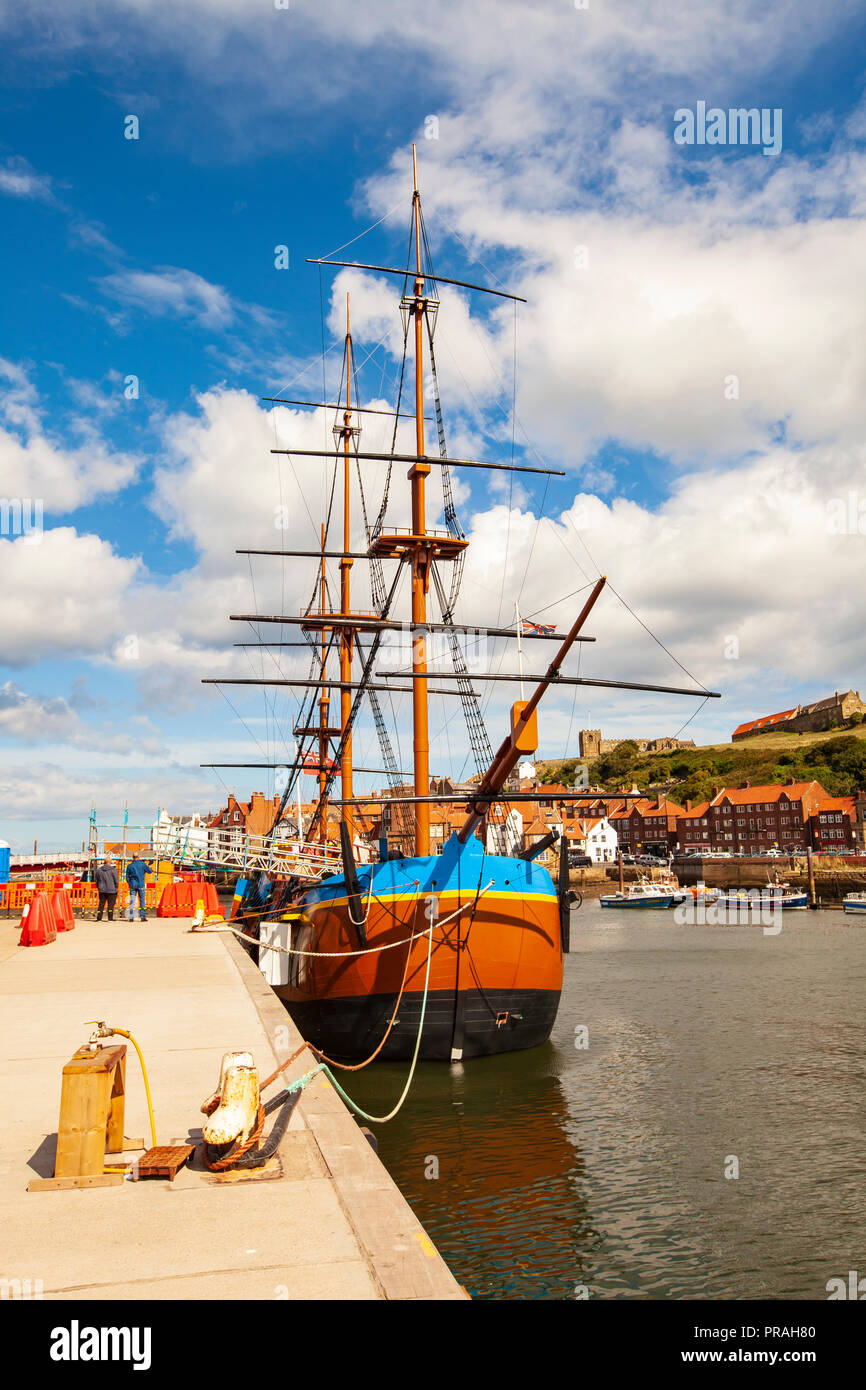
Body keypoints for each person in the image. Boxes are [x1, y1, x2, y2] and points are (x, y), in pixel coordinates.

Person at [125, 855, 152, 921]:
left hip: (133, 885)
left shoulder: (130, 866)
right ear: (139, 857)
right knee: (142, 900)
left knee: (132, 901)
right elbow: (149, 871)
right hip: (141, 884)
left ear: (133, 857)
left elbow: (127, 877)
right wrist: (150, 866)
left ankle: (131, 917)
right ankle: (142, 916)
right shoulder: (143, 864)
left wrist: (130, 883)